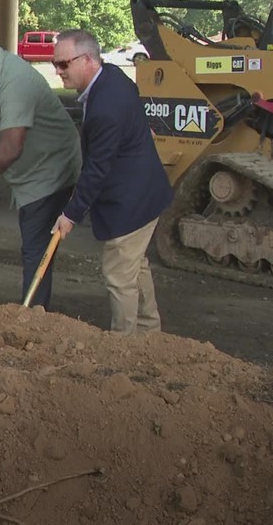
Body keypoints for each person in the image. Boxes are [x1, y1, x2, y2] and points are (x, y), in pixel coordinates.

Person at [50, 29, 173, 334]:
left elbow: (97, 169)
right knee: (134, 266)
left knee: (118, 274)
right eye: (55, 64)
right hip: (144, 191)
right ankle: (149, 332)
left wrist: (70, 214)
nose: (58, 71)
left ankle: (123, 344)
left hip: (131, 201)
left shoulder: (105, 107)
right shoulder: (113, 77)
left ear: (87, 59)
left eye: (63, 64)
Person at [0, 31, 81, 310]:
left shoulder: (15, 81)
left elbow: (10, 149)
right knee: (35, 245)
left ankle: (33, 316)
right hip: (34, 169)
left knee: (36, 247)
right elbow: (9, 121)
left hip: (49, 170)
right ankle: (34, 310)